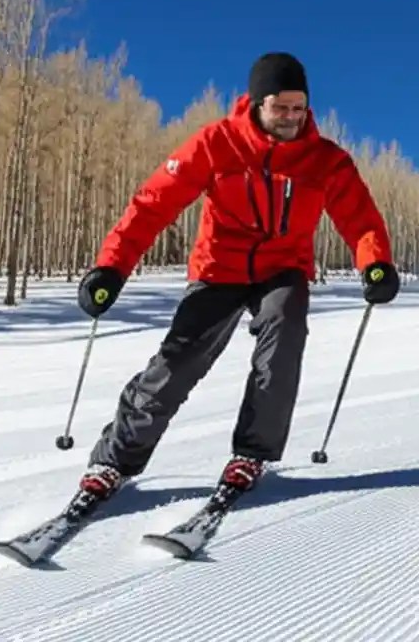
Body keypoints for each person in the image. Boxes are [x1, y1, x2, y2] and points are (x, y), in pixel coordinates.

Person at [72, 52, 399, 502]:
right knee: (178, 362)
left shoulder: (326, 160)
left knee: (283, 343)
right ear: (258, 103)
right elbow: (153, 205)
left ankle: (251, 454)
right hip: (218, 267)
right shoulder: (216, 143)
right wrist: (111, 266)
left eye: (298, 108)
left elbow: (359, 218)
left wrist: (375, 262)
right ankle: (114, 460)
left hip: (283, 269)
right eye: (280, 107)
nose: (290, 117)